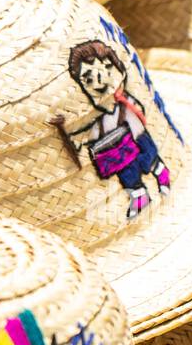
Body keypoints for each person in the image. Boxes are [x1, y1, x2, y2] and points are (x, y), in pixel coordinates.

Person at [64, 40, 172, 219]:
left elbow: (138, 116)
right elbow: (93, 132)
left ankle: (160, 172)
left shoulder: (123, 103)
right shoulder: (100, 117)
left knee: (148, 159)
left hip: (136, 138)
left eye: (97, 74)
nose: (94, 84)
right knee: (127, 174)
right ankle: (139, 196)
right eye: (87, 80)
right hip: (118, 151)